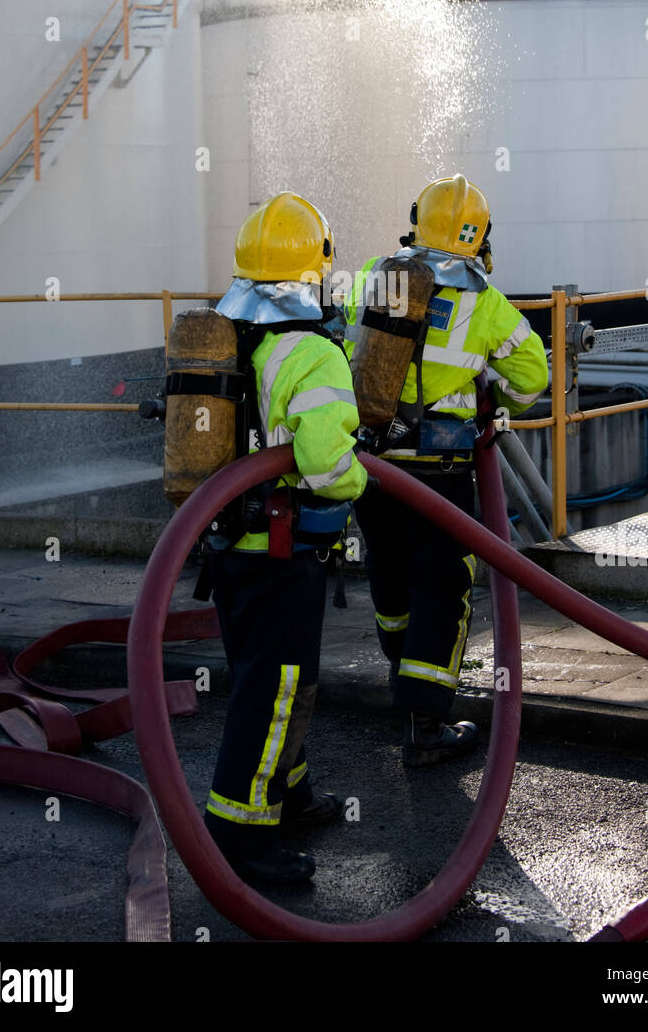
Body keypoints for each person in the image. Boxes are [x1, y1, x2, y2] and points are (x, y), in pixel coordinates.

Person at [345, 175, 548, 766]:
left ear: (417, 220)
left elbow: (338, 337)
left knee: (388, 569)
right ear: (479, 237)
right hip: (441, 473)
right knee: (444, 586)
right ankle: (426, 727)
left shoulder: (372, 277)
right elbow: (531, 378)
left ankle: (401, 681)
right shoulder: (484, 303)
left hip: (374, 466)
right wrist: (496, 393)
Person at [204, 191, 367, 883]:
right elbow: (328, 468)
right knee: (274, 688)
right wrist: (362, 480)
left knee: (265, 681)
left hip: (228, 549)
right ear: (315, 268)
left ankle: (287, 792)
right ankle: (239, 832)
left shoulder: (226, 332)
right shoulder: (311, 354)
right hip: (283, 550)